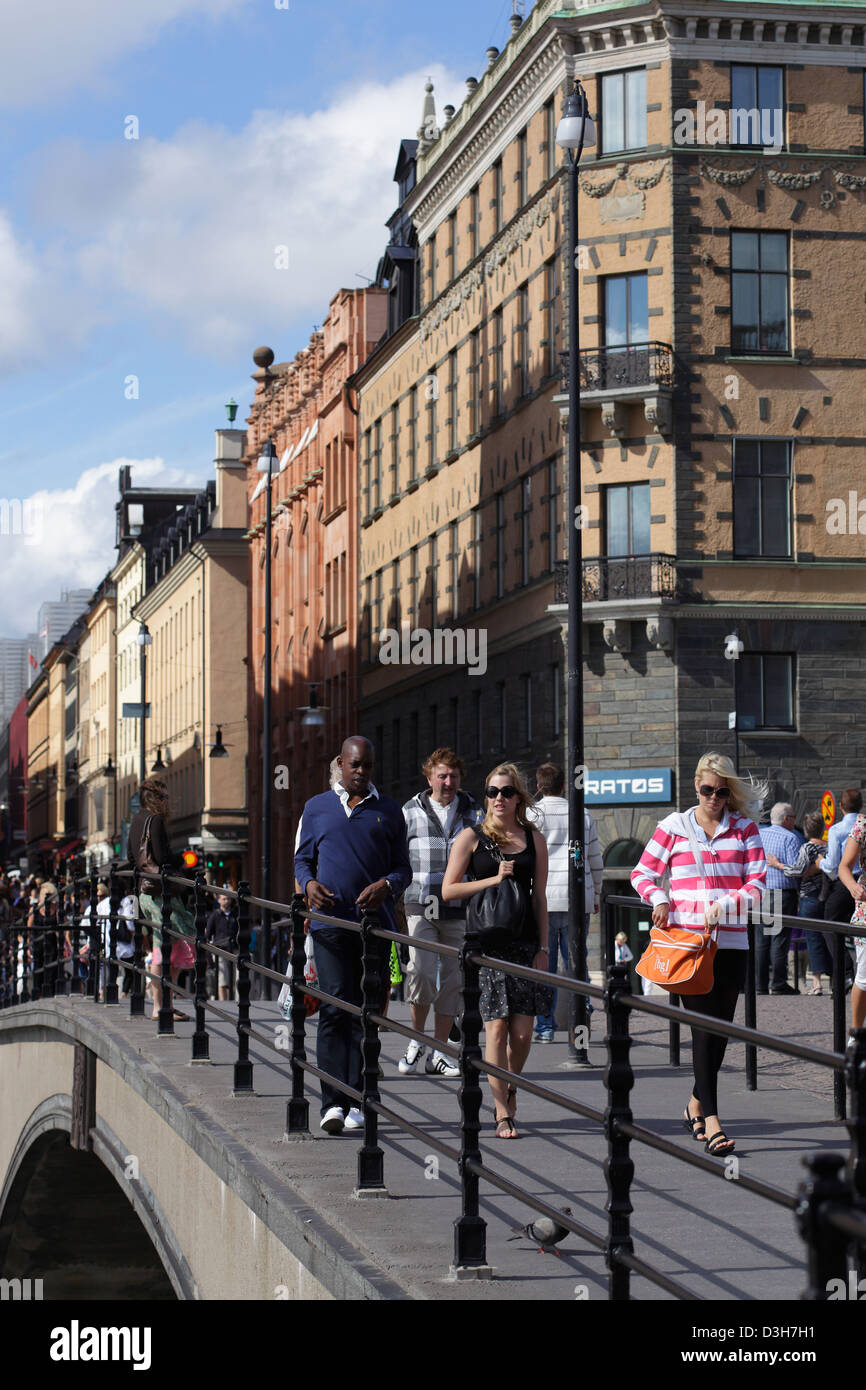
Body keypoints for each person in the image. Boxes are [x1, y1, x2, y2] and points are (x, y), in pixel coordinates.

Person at [631, 751, 766, 1158]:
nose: (714, 797)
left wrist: (725, 906)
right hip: (688, 944)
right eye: (707, 789)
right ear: (696, 786)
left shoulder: (744, 829)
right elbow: (642, 873)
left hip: (730, 942)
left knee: (720, 1031)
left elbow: (758, 884)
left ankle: (694, 1104)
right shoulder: (673, 827)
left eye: (721, 791)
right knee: (702, 1030)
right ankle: (712, 1122)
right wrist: (657, 897)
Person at [294, 736, 411, 1136]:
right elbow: (302, 859)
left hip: (372, 926)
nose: (361, 772)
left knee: (364, 1013)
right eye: (354, 765)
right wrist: (307, 884)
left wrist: (386, 885)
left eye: (367, 766)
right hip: (329, 926)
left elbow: (403, 869)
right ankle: (332, 1103)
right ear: (341, 764)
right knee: (333, 1009)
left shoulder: (390, 811)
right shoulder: (317, 808)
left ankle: (360, 1098)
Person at [442, 762, 551, 1140]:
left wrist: (543, 946)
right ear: (485, 797)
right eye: (492, 792)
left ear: (518, 796)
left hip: (522, 945)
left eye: (506, 792)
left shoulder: (533, 838)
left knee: (523, 1034)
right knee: (497, 1028)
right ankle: (502, 1110)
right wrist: (492, 877)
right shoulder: (471, 837)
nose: (499, 798)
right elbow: (449, 890)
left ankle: (510, 1085)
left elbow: (539, 898)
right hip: (484, 945)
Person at [398, 747, 481, 1079]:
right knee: (419, 970)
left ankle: (439, 1050)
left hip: (459, 908)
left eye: (454, 777)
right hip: (420, 903)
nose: (448, 782)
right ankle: (416, 1041)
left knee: (454, 978)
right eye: (442, 776)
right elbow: (397, 856)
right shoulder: (409, 811)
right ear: (429, 776)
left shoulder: (474, 811)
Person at [528, 763, 602, 1042]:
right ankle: (580, 1015)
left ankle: (545, 1027)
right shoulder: (582, 814)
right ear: (563, 786)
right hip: (576, 898)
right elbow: (594, 858)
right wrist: (595, 894)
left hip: (544, 898)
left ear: (538, 786)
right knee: (576, 962)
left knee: (544, 964)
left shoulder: (530, 815)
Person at [128, 777, 196, 1023]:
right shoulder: (154, 820)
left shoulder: (136, 821)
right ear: (155, 800)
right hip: (159, 893)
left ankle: (164, 1003)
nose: (168, 802)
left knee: (168, 944)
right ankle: (161, 1005)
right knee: (169, 944)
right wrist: (185, 858)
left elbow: (130, 855)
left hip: (145, 892)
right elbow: (162, 856)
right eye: (165, 797)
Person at [766, 811, 829, 993]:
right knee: (829, 936)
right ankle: (839, 977)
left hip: (808, 896)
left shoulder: (807, 847)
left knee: (812, 937)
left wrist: (778, 865)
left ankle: (816, 983)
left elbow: (797, 870)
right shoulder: (829, 847)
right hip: (826, 896)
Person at [757, 803, 801, 995]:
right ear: (786, 819)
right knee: (780, 940)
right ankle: (778, 983)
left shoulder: (759, 834)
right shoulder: (791, 838)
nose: (794, 820)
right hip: (783, 893)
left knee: (762, 939)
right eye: (792, 817)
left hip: (763, 892)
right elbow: (795, 869)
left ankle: (759, 984)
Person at [838, 813, 866, 1031]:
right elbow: (844, 867)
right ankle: (856, 1035)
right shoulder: (863, 824)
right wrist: (853, 887)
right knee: (865, 978)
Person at [206, 892, 238, 1001]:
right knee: (223, 978)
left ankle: (232, 1000)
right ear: (218, 900)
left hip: (233, 949)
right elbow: (208, 934)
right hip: (220, 949)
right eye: (224, 899)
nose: (226, 901)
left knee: (233, 979)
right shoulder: (214, 915)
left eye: (228, 899)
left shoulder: (235, 915)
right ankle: (223, 1002)